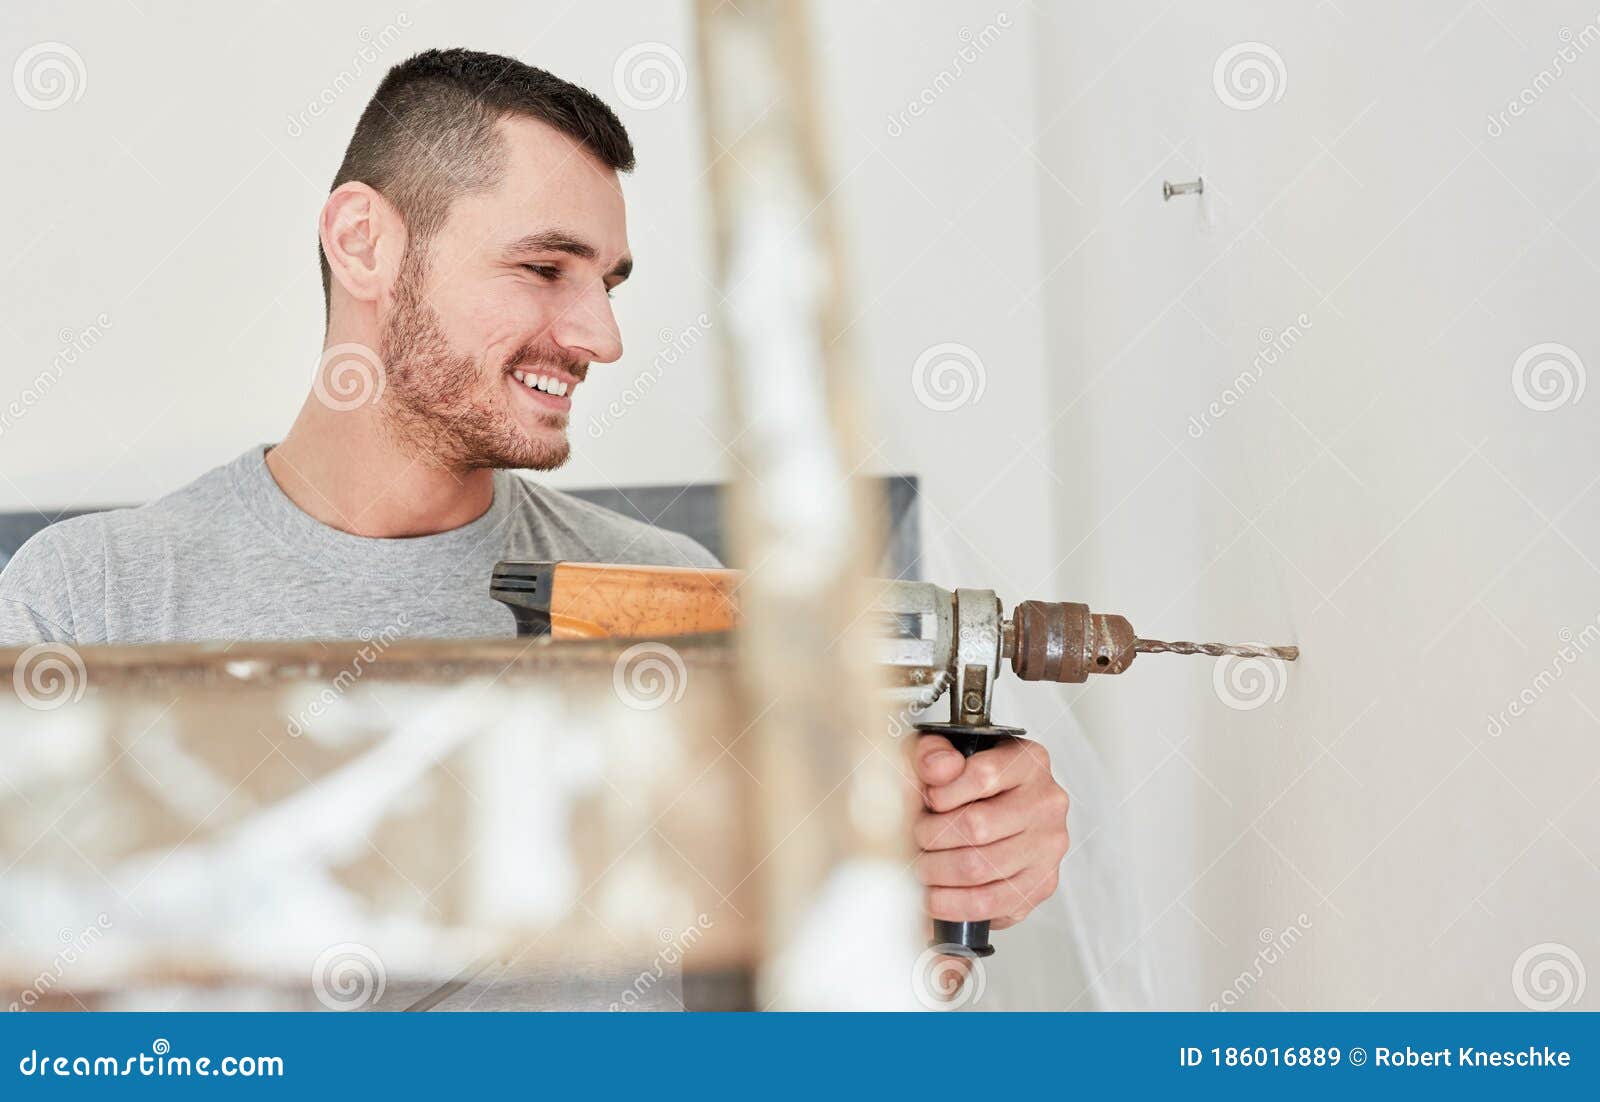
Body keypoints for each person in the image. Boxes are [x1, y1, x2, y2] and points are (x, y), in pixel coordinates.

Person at [0, 48, 1068, 955]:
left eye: (608, 281)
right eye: (546, 265)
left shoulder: (672, 601)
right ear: (364, 242)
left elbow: (842, 916)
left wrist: (972, 845)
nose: (600, 336)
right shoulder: (91, 602)